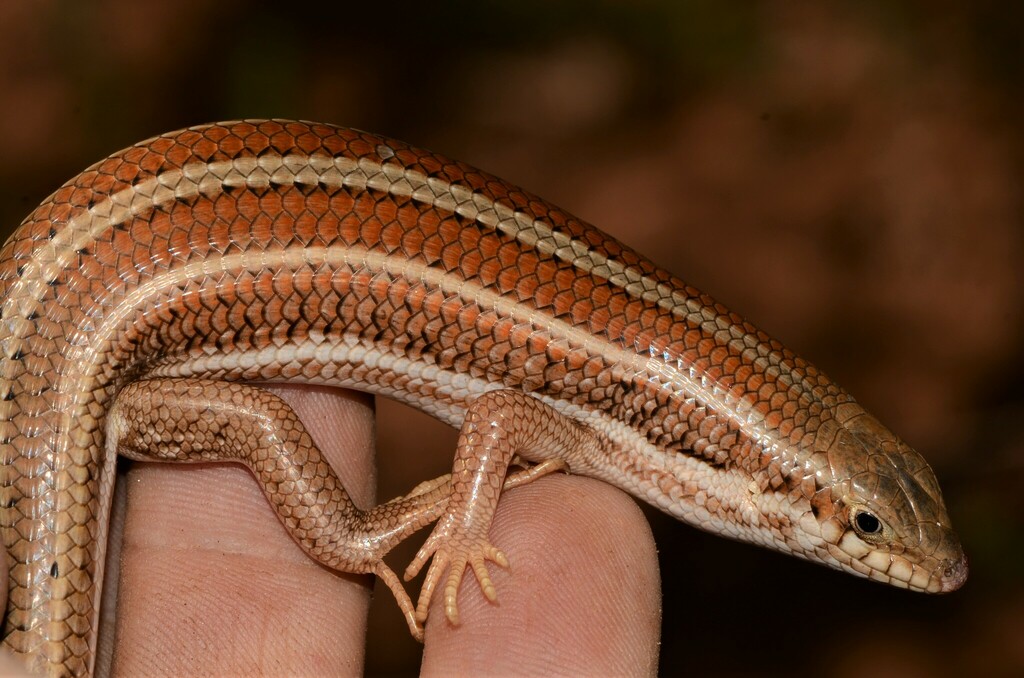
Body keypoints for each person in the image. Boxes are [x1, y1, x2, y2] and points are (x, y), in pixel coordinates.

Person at [0, 386, 661, 676]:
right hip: (83, 390)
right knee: (260, 421)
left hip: (87, 388)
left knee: (262, 419)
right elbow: (497, 414)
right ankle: (348, 537)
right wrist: (461, 528)